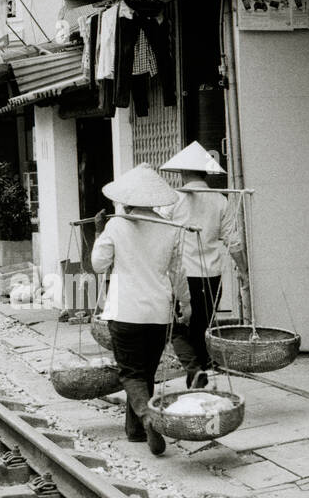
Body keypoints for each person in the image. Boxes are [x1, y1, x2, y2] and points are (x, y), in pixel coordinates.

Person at [91, 164, 190, 457]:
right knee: (145, 371)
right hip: (158, 313)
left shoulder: (116, 225)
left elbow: (98, 264)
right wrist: (186, 303)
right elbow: (178, 272)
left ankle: (148, 419)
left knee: (131, 373)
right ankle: (135, 431)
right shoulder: (168, 228)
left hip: (125, 312)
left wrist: (98, 231)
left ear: (126, 200)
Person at [159, 142, 248, 390]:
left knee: (179, 326)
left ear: (183, 173)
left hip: (182, 275)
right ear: (205, 172)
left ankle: (196, 370)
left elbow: (161, 234)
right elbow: (233, 239)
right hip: (211, 274)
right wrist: (243, 271)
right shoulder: (220, 200)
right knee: (202, 325)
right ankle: (201, 371)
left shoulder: (172, 199)